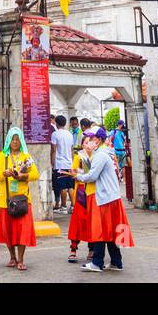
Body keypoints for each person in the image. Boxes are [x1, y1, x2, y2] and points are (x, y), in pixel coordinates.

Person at [74, 127, 134, 272]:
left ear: (99, 140)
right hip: (110, 196)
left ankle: (97, 262)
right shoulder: (105, 153)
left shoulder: (100, 155)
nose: (89, 141)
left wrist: (78, 176)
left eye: (92, 138)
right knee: (111, 230)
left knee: (100, 230)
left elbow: (92, 176)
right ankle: (116, 261)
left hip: (105, 198)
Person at [0, 127, 39, 271]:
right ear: (8, 141)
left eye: (17, 139)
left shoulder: (26, 156)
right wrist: (4, 173)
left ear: (21, 141)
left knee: (22, 232)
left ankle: (21, 259)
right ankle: (12, 257)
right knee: (8, 231)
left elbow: (35, 174)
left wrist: (22, 176)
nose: (15, 142)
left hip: (23, 200)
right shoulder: (3, 156)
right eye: (12, 139)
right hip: (6, 201)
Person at [67, 134, 96, 263]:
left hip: (94, 192)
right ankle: (73, 249)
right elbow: (72, 172)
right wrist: (80, 173)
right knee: (78, 221)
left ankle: (92, 249)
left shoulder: (97, 156)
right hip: (81, 192)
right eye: (86, 142)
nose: (89, 144)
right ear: (83, 144)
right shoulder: (79, 157)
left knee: (92, 221)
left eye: (91, 142)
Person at [50, 115, 76, 213]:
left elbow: (53, 150)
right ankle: (73, 206)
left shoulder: (55, 134)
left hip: (59, 163)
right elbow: (72, 149)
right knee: (70, 186)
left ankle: (64, 206)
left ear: (56, 123)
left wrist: (52, 162)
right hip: (69, 163)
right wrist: (72, 162)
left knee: (62, 187)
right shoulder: (69, 134)